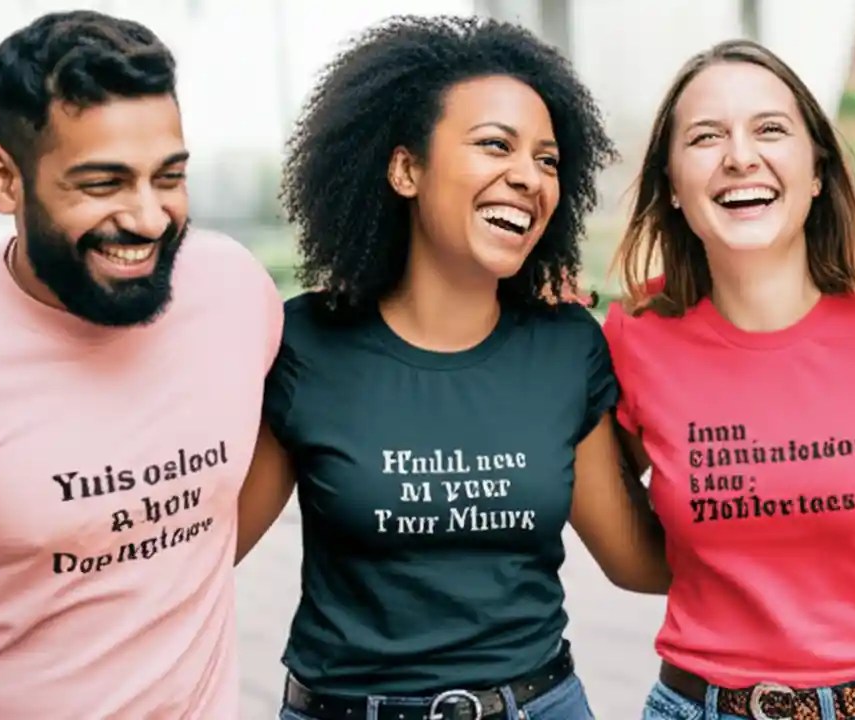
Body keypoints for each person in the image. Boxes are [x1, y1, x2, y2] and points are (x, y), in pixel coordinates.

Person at [234, 15, 669, 720]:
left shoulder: (564, 348)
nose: (528, 177)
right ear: (406, 168)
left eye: (549, 160)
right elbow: (197, 555)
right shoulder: (306, 345)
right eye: (495, 145)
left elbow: (637, 561)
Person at [603, 39, 855, 720]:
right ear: (670, 181)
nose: (740, 156)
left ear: (817, 170)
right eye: (705, 137)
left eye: (770, 129)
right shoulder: (635, 332)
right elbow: (632, 548)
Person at [0, 10, 283, 719]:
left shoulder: (232, 291)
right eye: (103, 183)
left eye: (168, 176)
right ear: (4, 179)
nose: (147, 218)